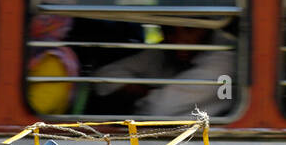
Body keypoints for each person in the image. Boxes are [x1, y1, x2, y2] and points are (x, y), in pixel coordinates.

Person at [89, 25, 237, 117]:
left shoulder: (223, 63)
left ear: (206, 29)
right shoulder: (167, 50)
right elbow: (104, 76)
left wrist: (151, 94)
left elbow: (156, 109)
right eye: (169, 31)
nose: (179, 40)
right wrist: (144, 91)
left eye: (189, 30)